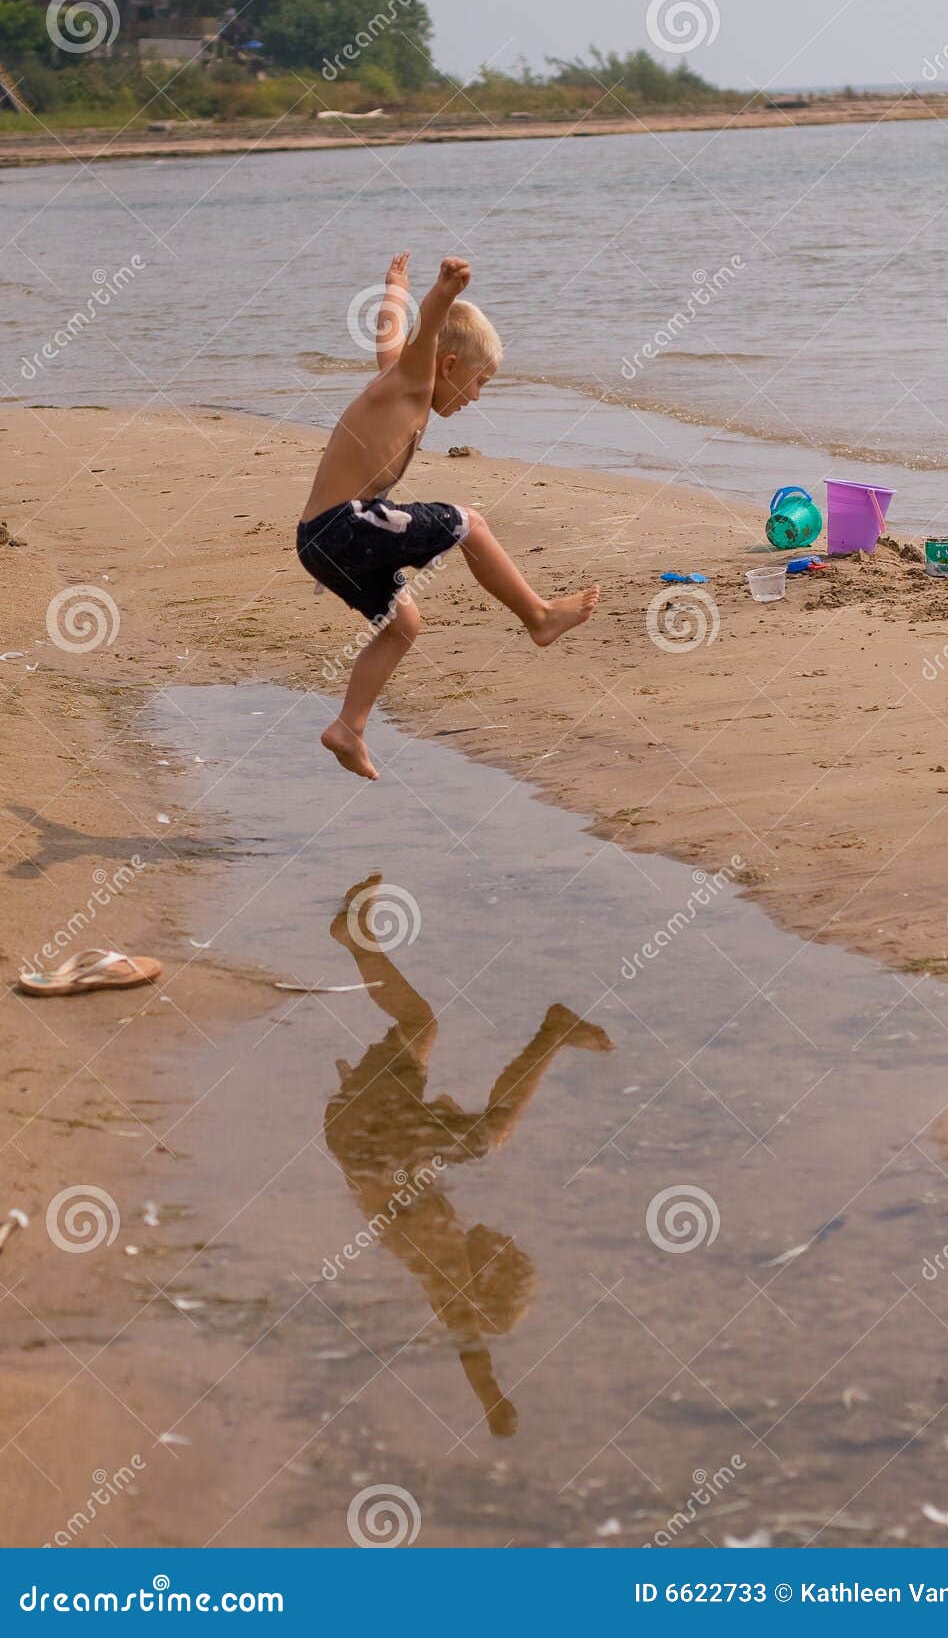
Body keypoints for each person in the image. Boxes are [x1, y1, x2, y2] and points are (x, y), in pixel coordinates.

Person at [323, 875, 613, 1436]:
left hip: (373, 1140)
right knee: (419, 1024)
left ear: (483, 1277)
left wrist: (492, 1401)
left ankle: (553, 1031)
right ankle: (354, 938)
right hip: (359, 1133)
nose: (504, 1240)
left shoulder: (442, 1267)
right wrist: (491, 1398)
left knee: (487, 1136)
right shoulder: (440, 1263)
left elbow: (468, 1341)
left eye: (504, 1256)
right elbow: (471, 1343)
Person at [297, 253, 600, 779]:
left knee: (402, 624)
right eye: (479, 382)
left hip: (322, 540)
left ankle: (348, 728)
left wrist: (395, 287)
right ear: (449, 366)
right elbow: (426, 331)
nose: (477, 398)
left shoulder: (399, 377)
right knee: (468, 523)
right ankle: (539, 616)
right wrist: (443, 291)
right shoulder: (414, 379)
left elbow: (387, 335)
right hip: (342, 525)